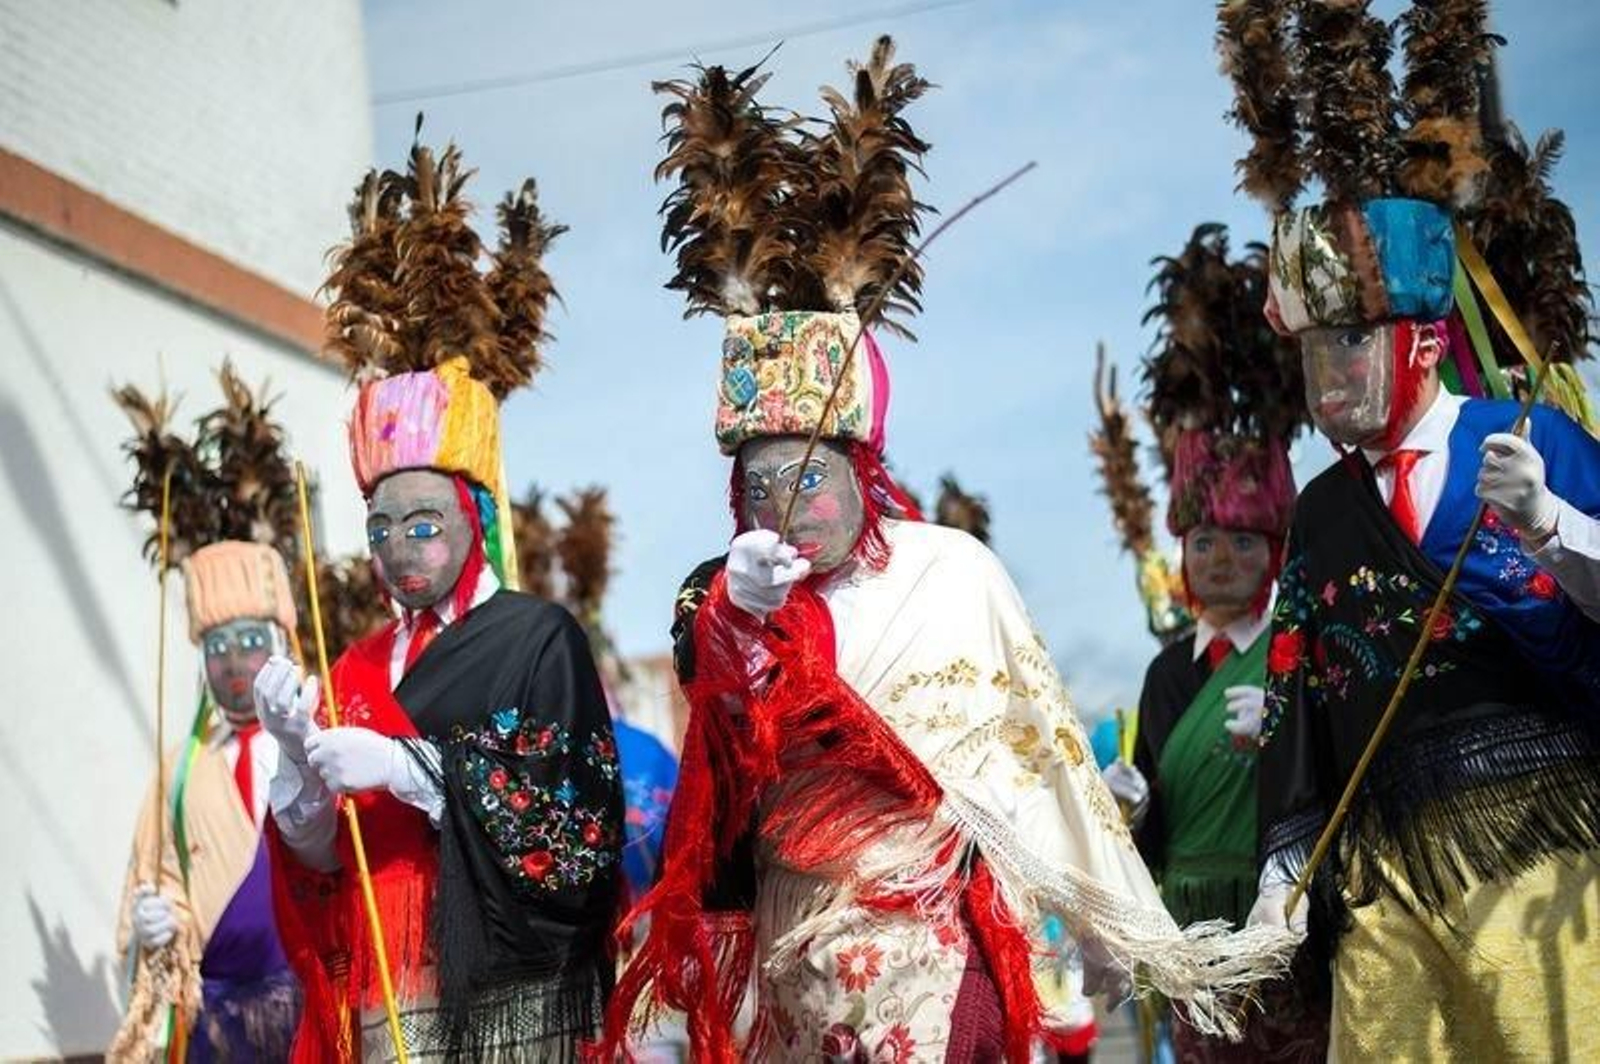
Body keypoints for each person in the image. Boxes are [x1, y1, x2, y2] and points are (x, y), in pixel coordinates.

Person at [601, 38, 1292, 1064]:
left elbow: (1034, 760)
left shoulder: (946, 570)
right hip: (789, 952)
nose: (786, 505)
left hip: (924, 941)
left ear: (863, 468)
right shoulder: (721, 591)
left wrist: (1108, 925)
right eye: (757, 483)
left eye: (810, 475)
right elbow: (719, 779)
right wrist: (737, 619)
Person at [1218, 2, 1600, 1057]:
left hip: (1537, 853)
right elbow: (1300, 695)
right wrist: (1280, 879)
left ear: (1425, 344)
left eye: (1348, 344)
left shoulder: (1532, 436)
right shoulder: (1324, 506)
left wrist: (1553, 522)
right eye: (1312, 351)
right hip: (1385, 874)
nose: (1326, 376)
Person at [252, 142, 623, 1061]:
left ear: (474, 513)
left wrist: (411, 767)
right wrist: (299, 775)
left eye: (422, 524)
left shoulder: (540, 639)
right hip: (387, 998)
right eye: (379, 530)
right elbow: (323, 866)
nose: (397, 551)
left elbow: (574, 825)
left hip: (509, 996)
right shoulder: (356, 665)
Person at [1100, 226, 1326, 1061]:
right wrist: (1129, 813)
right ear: (1181, 552)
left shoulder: (1304, 647)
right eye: (1204, 543)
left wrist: (1285, 726)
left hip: (1285, 920)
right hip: (1193, 932)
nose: (1222, 562)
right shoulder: (1168, 674)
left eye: (1243, 543)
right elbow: (1155, 825)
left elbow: (1335, 775)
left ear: (1276, 550)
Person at [109, 364, 304, 1061]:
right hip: (218, 1027)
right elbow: (158, 875)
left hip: (315, 1011)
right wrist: (158, 919)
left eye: (251, 640)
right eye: (217, 645)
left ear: (283, 640)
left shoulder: (324, 744)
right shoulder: (182, 774)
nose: (233, 661)